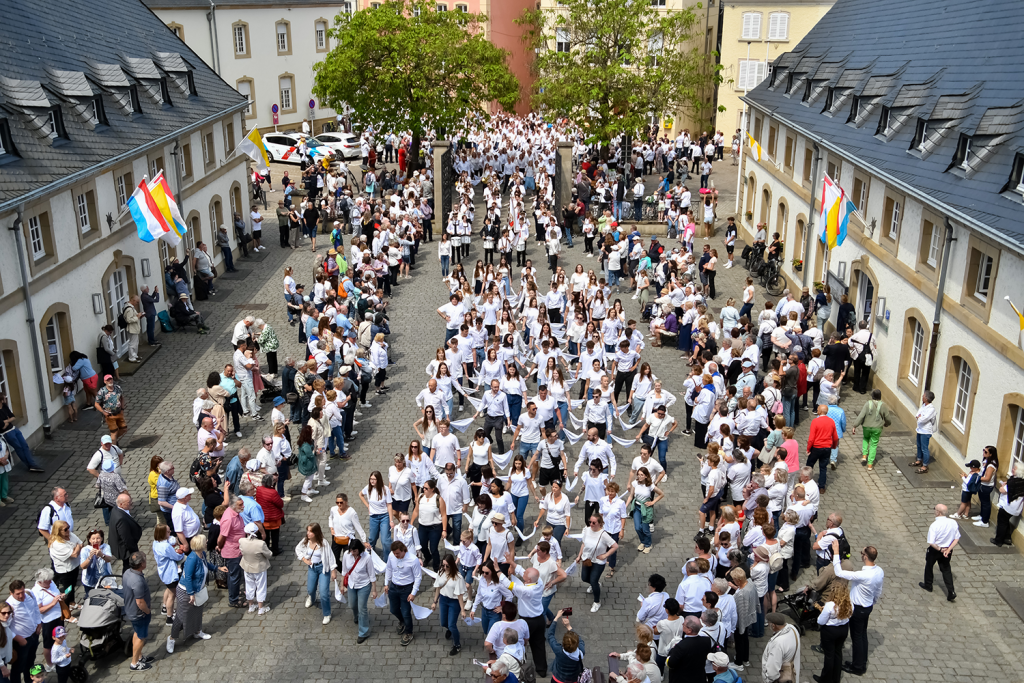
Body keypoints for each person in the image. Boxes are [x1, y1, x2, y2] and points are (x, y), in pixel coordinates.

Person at [829, 543, 883, 677]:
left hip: (858, 609)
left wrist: (836, 552)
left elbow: (839, 572)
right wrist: (873, 601)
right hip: (868, 606)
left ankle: (858, 666)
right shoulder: (879, 571)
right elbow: (878, 590)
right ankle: (861, 661)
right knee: (862, 635)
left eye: (862, 553)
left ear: (865, 557)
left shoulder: (864, 575)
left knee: (857, 637)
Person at [166, 535, 222, 652]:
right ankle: (171, 638)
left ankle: (197, 631)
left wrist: (217, 568)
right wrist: (191, 593)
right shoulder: (192, 559)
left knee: (197, 612)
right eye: (205, 541)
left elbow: (205, 565)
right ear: (200, 545)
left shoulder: (202, 554)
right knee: (181, 617)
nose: (207, 542)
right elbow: (188, 577)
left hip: (197, 590)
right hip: (186, 591)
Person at [573, 512, 618, 613]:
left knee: (593, 580)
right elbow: (583, 544)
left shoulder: (603, 534)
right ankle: (596, 585)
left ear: (600, 523)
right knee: (584, 578)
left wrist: (605, 555)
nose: (591, 524)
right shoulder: (586, 530)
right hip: (587, 559)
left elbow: (615, 546)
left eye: (594, 523)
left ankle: (597, 602)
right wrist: (579, 556)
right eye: (590, 522)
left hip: (598, 561)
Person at [428, 554, 468, 656]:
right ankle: (450, 630)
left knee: (451, 625)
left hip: (454, 602)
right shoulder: (441, 572)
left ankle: (457, 645)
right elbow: (438, 588)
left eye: (447, 566)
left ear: (452, 565)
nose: (445, 568)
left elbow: (460, 595)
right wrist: (434, 602)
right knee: (443, 622)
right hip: (443, 599)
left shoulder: (458, 577)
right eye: (443, 565)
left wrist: (463, 610)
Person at [384, 540, 422, 646]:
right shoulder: (391, 556)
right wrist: (386, 583)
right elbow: (389, 569)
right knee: (393, 609)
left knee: (406, 612)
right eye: (394, 553)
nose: (395, 555)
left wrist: (413, 593)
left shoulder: (413, 560)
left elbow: (418, 577)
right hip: (394, 586)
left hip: (406, 588)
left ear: (403, 550)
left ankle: (409, 632)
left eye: (397, 553)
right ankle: (402, 621)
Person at [338, 538, 377, 643]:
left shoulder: (367, 557)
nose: (352, 552)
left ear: (359, 549)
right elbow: (344, 571)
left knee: (362, 608)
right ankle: (358, 617)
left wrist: (374, 590)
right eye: (351, 550)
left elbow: (372, 575)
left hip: (364, 585)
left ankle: (363, 632)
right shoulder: (346, 555)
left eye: (354, 551)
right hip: (351, 584)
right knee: (352, 605)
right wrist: (342, 586)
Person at [121, 552, 155, 671]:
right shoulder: (137, 581)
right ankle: (134, 663)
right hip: (139, 614)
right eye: (145, 560)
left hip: (131, 610)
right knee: (141, 637)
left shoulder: (127, 572)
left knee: (137, 633)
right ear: (141, 564)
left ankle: (139, 657)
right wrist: (147, 611)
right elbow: (140, 602)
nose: (146, 561)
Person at [297, 523, 336, 625]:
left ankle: (327, 614)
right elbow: (298, 549)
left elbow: (330, 556)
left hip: (323, 569)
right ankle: (311, 597)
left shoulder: (323, 543)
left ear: (316, 533)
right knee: (310, 589)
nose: (308, 533)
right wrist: (305, 560)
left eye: (310, 531)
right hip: (312, 568)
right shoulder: (305, 541)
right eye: (307, 530)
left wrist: (333, 570)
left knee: (324, 593)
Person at [919, 504, 959, 602]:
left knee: (929, 565)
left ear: (938, 512)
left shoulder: (934, 525)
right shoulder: (953, 522)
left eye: (935, 509)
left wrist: (940, 549)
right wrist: (948, 550)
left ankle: (928, 585)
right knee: (946, 569)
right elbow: (956, 538)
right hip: (948, 549)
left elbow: (931, 542)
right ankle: (951, 591)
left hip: (935, 550)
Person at [814, 581, 852, 683]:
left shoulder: (830, 605)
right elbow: (849, 615)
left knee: (829, 655)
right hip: (843, 629)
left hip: (830, 631)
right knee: (838, 653)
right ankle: (836, 678)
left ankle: (825, 679)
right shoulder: (849, 603)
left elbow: (820, 621)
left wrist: (823, 612)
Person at [849, 389, 892, 471]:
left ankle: (864, 455)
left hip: (866, 426)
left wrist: (855, 425)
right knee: (873, 445)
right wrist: (887, 424)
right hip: (877, 428)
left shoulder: (867, 403)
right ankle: (870, 464)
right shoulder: (883, 405)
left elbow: (861, 416)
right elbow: (888, 418)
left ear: (872, 396)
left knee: (866, 438)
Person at [151, 524, 184, 626]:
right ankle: (169, 618)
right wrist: (181, 552)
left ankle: (165, 607)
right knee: (172, 595)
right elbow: (177, 557)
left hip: (163, 572)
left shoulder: (156, 542)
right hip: (170, 573)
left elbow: (171, 542)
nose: (170, 533)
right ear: (162, 533)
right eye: (168, 532)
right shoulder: (165, 546)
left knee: (169, 589)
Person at [664, 615, 712, 683]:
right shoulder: (707, 640)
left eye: (684, 624)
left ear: (689, 630)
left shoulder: (680, 646)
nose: (682, 625)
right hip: (699, 678)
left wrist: (672, 650)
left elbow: (670, 663)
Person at [239, 522, 273, 615]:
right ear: (257, 532)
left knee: (249, 586)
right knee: (261, 587)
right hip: (259, 568)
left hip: (247, 567)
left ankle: (251, 606)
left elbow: (242, 552)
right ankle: (261, 608)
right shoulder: (260, 544)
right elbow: (269, 554)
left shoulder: (241, 541)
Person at [547, 610, 586, 683]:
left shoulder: (558, 650)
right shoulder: (581, 652)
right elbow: (580, 640)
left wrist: (556, 618)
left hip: (558, 679)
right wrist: (569, 626)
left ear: (563, 643)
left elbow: (550, 635)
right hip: (573, 680)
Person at [806, 405, 838, 492]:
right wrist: (834, 446)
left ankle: (806, 482)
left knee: (809, 465)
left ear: (819, 411)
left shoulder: (815, 421)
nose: (817, 411)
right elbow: (835, 437)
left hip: (816, 447)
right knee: (823, 467)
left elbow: (811, 438)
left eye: (817, 409)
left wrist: (808, 449)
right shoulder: (831, 421)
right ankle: (822, 487)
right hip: (827, 448)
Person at [762, 612, 801, 683]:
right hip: (792, 669)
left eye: (769, 623)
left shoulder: (778, 643)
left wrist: (768, 680)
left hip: (781, 677)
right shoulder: (793, 629)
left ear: (773, 625)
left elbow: (773, 670)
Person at [108, 493, 143, 572]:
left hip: (121, 545)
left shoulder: (116, 509)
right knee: (129, 566)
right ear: (121, 504)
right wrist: (134, 551)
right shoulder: (121, 518)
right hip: (126, 550)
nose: (131, 503)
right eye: (128, 502)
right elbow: (126, 538)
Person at [94, 374, 127, 445]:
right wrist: (103, 412)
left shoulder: (117, 388)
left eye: (111, 379)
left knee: (124, 429)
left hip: (119, 413)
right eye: (108, 380)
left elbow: (121, 398)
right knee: (114, 432)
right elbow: (96, 404)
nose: (110, 381)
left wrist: (122, 409)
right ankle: (114, 447)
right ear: (105, 381)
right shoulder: (102, 391)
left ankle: (111, 440)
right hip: (109, 415)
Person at [912, 391, 937, 473]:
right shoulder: (924, 405)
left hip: (926, 431)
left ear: (926, 398)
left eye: (923, 396)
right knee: (919, 445)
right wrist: (919, 417)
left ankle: (925, 465)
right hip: (920, 429)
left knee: (924, 448)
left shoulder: (931, 409)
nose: (922, 397)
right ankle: (919, 460)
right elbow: (917, 414)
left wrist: (919, 417)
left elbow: (923, 419)